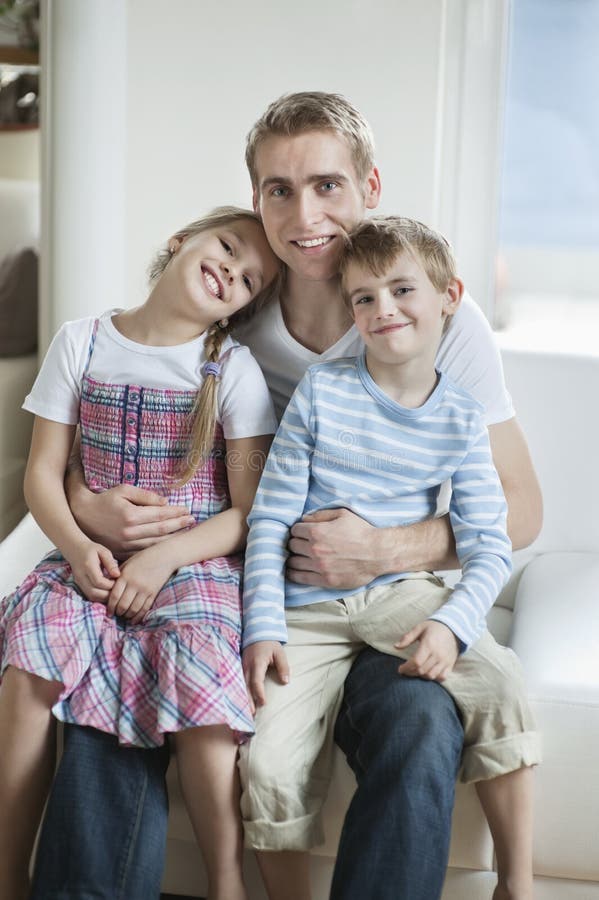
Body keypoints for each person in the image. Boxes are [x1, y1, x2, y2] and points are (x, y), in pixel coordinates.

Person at [32, 92, 543, 900]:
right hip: (248, 584)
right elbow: (121, 403)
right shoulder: (233, 303)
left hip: (388, 593)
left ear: (369, 187)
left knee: (418, 722)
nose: (304, 216)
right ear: (256, 197)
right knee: (128, 680)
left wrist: (383, 549)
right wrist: (83, 501)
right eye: (279, 190)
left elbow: (520, 508)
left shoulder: (426, 310)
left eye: (327, 186)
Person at [241, 216, 541, 900]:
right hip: (306, 607)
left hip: (399, 594)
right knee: (264, 762)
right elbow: (270, 517)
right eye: (364, 298)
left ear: (448, 297)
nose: (384, 309)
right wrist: (262, 625)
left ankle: (516, 885)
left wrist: (451, 626)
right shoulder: (322, 391)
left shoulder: (461, 418)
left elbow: (488, 541)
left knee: (502, 684)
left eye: (402, 290)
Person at [0, 206, 282, 900]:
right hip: (87, 555)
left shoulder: (232, 370)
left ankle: (226, 884)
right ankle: (7, 875)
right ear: (180, 240)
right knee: (31, 664)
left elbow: (247, 512)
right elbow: (42, 475)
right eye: (227, 248)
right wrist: (76, 545)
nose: (231, 272)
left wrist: (163, 558)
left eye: (249, 279)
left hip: (192, 564)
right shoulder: (82, 340)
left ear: (243, 307)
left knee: (200, 676)